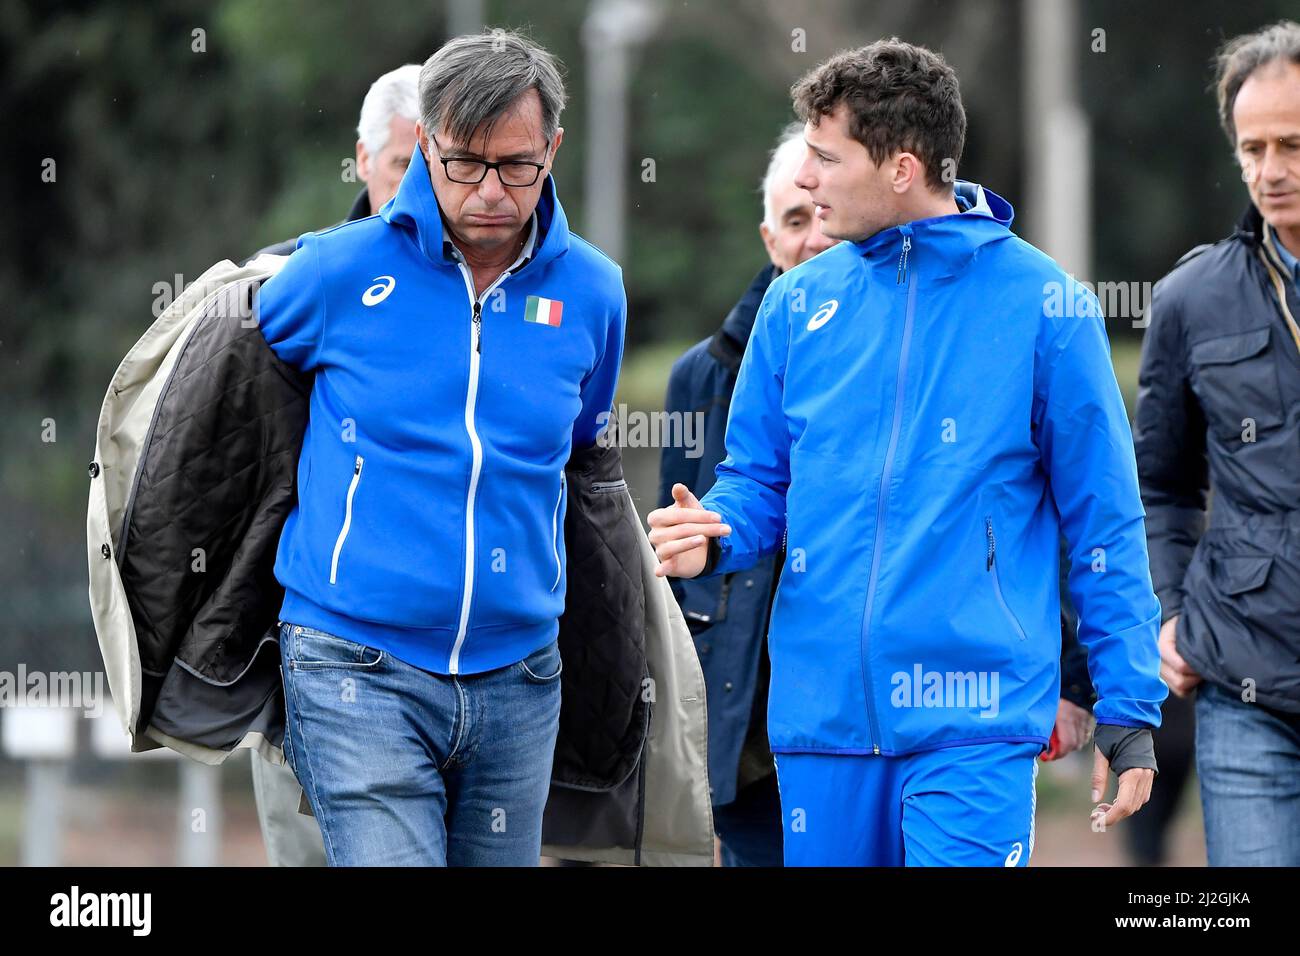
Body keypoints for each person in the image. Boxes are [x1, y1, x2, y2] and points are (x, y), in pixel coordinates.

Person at [648, 38, 1165, 866]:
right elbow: (757, 483)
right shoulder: (794, 304)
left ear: (901, 166)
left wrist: (1128, 704)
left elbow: (1104, 517)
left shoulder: (1046, 305)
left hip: (974, 723)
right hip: (821, 727)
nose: (805, 178)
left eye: (825, 156)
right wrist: (715, 530)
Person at [252, 30, 627, 866]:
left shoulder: (595, 292)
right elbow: (240, 394)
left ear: (553, 149)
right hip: (354, 662)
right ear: (424, 145)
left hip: (521, 676)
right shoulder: (333, 273)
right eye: (463, 163)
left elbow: (576, 449)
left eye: (518, 165)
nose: (491, 191)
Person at [245, 63, 420, 869]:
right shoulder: (291, 280)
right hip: (308, 659)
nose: (422, 190)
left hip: (471, 676)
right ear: (362, 159)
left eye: (438, 166)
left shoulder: (514, 294)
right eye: (401, 167)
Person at [1136, 20, 1300, 867]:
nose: (1270, 172)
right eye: (1252, 147)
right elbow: (1159, 486)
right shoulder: (1191, 299)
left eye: (1294, 145)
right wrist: (1168, 611)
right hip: (1245, 690)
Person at [658, 125, 836, 867]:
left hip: (862, 711)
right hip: (746, 734)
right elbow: (682, 554)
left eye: (826, 215)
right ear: (769, 237)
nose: (814, 238)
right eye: (795, 221)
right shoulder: (699, 377)